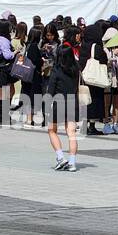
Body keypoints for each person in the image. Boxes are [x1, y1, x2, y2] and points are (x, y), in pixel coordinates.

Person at [46, 25, 81, 171]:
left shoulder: (57, 71)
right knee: (71, 132)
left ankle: (60, 157)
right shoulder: (76, 69)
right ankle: (72, 162)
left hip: (59, 101)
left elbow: (51, 90)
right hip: (73, 100)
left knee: (51, 130)